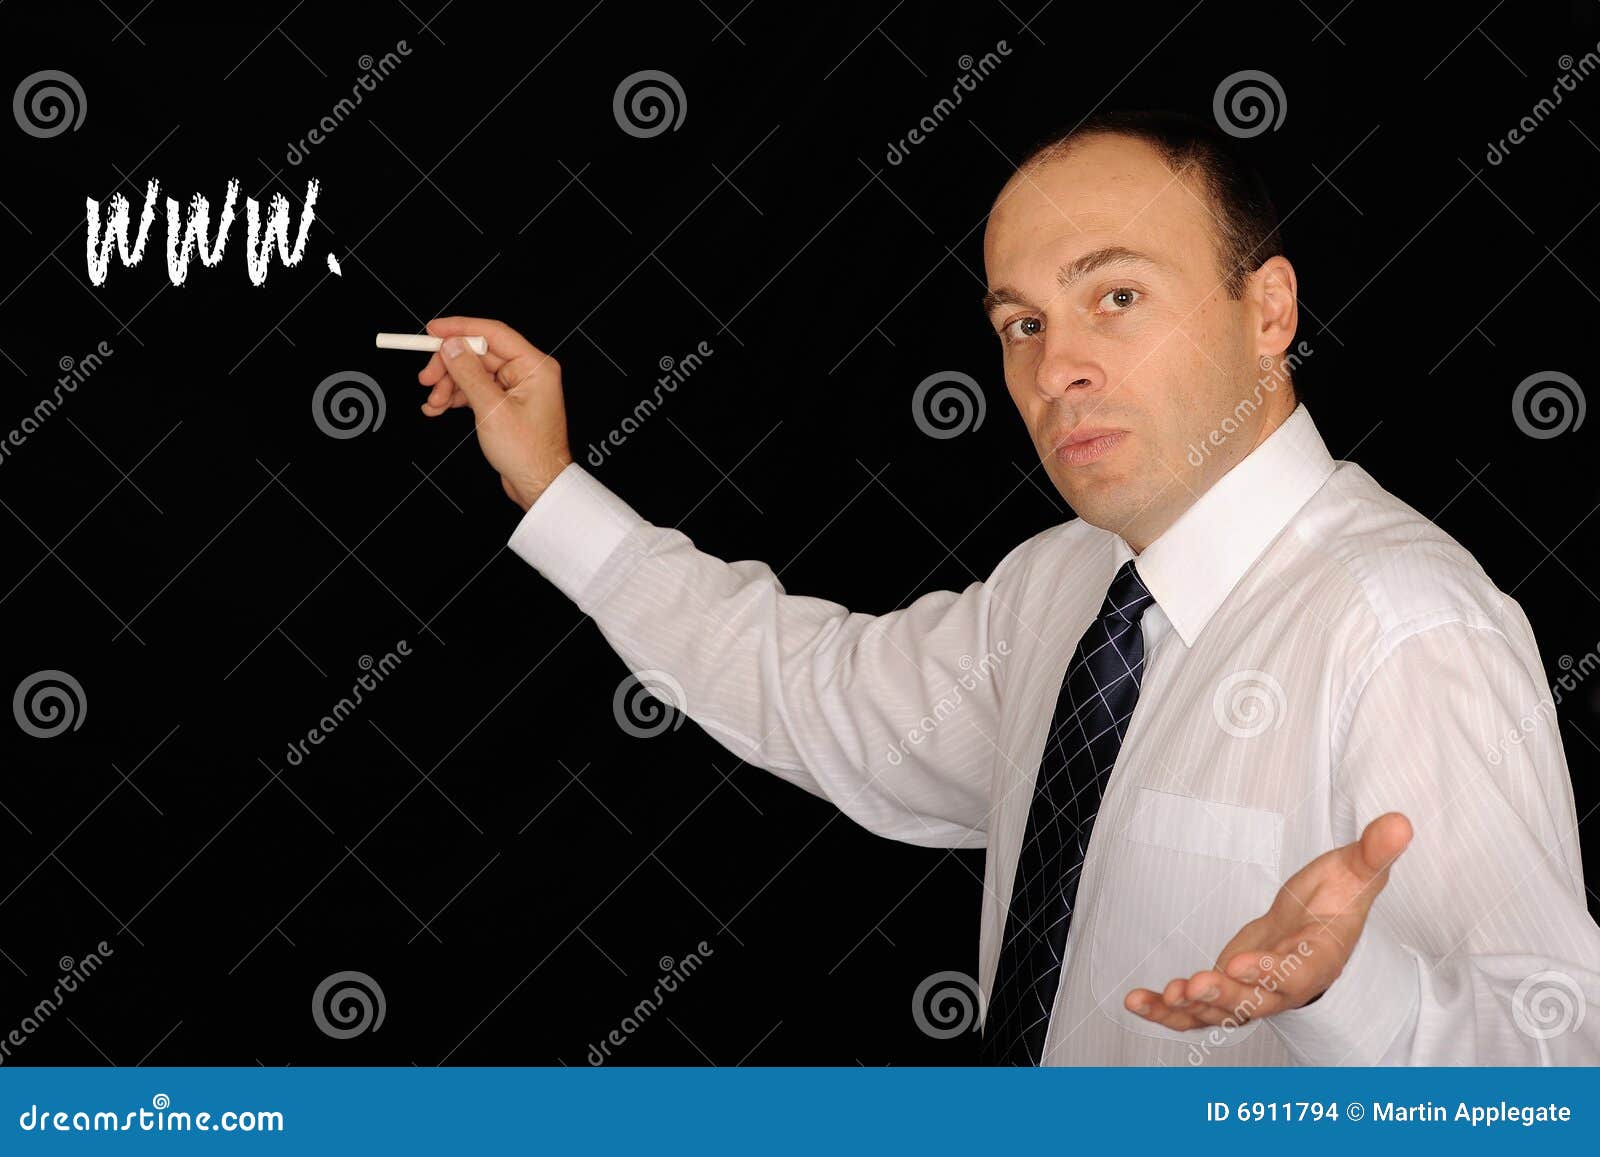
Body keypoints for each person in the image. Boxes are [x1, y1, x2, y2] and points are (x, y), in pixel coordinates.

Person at [411, 109, 1600, 1065]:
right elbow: (808, 687)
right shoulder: (1063, 589)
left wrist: (1355, 992)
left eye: (1115, 296)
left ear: (1269, 309)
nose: (1057, 364)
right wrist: (551, 487)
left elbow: (1558, 1064)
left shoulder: (1403, 627)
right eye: (1020, 320)